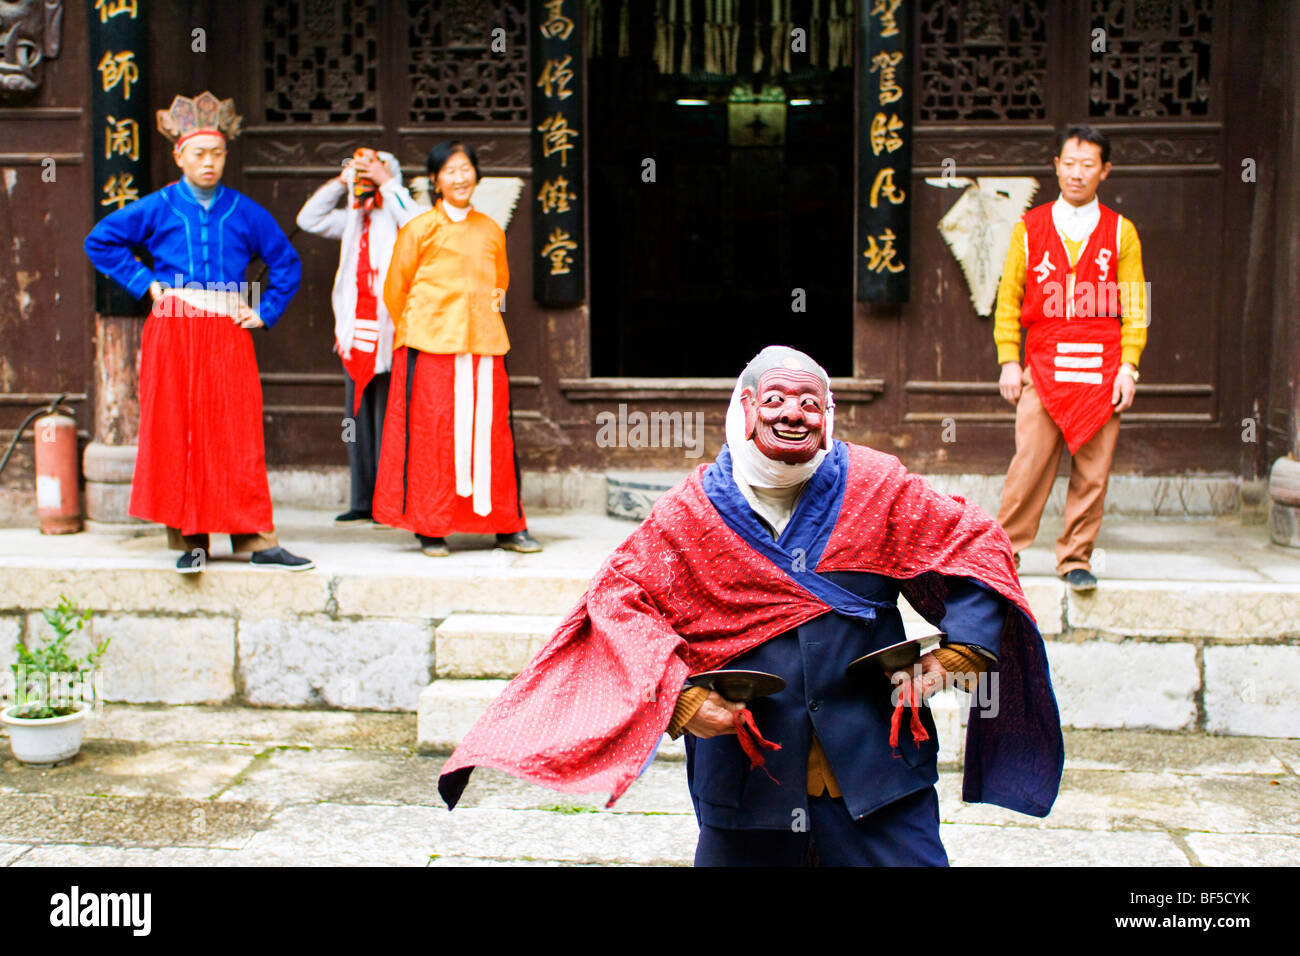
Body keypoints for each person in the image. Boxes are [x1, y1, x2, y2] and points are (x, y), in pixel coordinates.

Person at [438, 346, 1063, 867]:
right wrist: (680, 699)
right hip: (747, 780)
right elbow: (619, 603)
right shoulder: (691, 514)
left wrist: (958, 653)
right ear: (744, 410)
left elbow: (973, 543)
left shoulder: (877, 486)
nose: (794, 415)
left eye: (811, 404)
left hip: (878, 770)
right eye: (776, 401)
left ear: (830, 415)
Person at [84, 91, 312, 574]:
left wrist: (265, 310)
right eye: (199, 154)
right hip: (174, 328)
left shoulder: (244, 211)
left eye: (217, 153)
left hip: (227, 330)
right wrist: (145, 283)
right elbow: (100, 240)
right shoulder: (158, 206)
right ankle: (191, 540)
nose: (208, 163)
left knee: (237, 431)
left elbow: (285, 263)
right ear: (179, 155)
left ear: (226, 156)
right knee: (179, 431)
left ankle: (256, 541)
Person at [993, 124, 1148, 591]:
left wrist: (1129, 366)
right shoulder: (1030, 227)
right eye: (1069, 163)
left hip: (1103, 365)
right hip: (1042, 360)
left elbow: (1135, 306)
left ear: (1105, 170)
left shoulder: (1122, 232)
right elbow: (1009, 298)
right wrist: (1008, 359)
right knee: (1030, 463)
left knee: (1093, 469)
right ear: (1057, 165)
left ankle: (1076, 557)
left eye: (1088, 164)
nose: (1077, 173)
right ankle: (1004, 553)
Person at [372, 141, 540, 556]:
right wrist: (426, 325)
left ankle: (506, 524)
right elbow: (396, 290)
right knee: (434, 437)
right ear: (434, 180)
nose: (460, 178)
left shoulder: (490, 229)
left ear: (476, 175)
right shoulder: (418, 228)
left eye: (466, 169)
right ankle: (431, 527)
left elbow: (499, 284)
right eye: (449, 171)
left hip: (483, 348)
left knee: (493, 436)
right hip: (430, 349)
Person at [296, 148, 422, 526]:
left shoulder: (399, 213)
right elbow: (308, 219)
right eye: (360, 173)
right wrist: (340, 182)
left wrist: (389, 184)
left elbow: (419, 223)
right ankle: (362, 499)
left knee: (390, 419)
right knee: (355, 422)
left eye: (372, 174)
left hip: (391, 330)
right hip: (356, 334)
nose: (365, 181)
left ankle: (391, 501)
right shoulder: (353, 218)